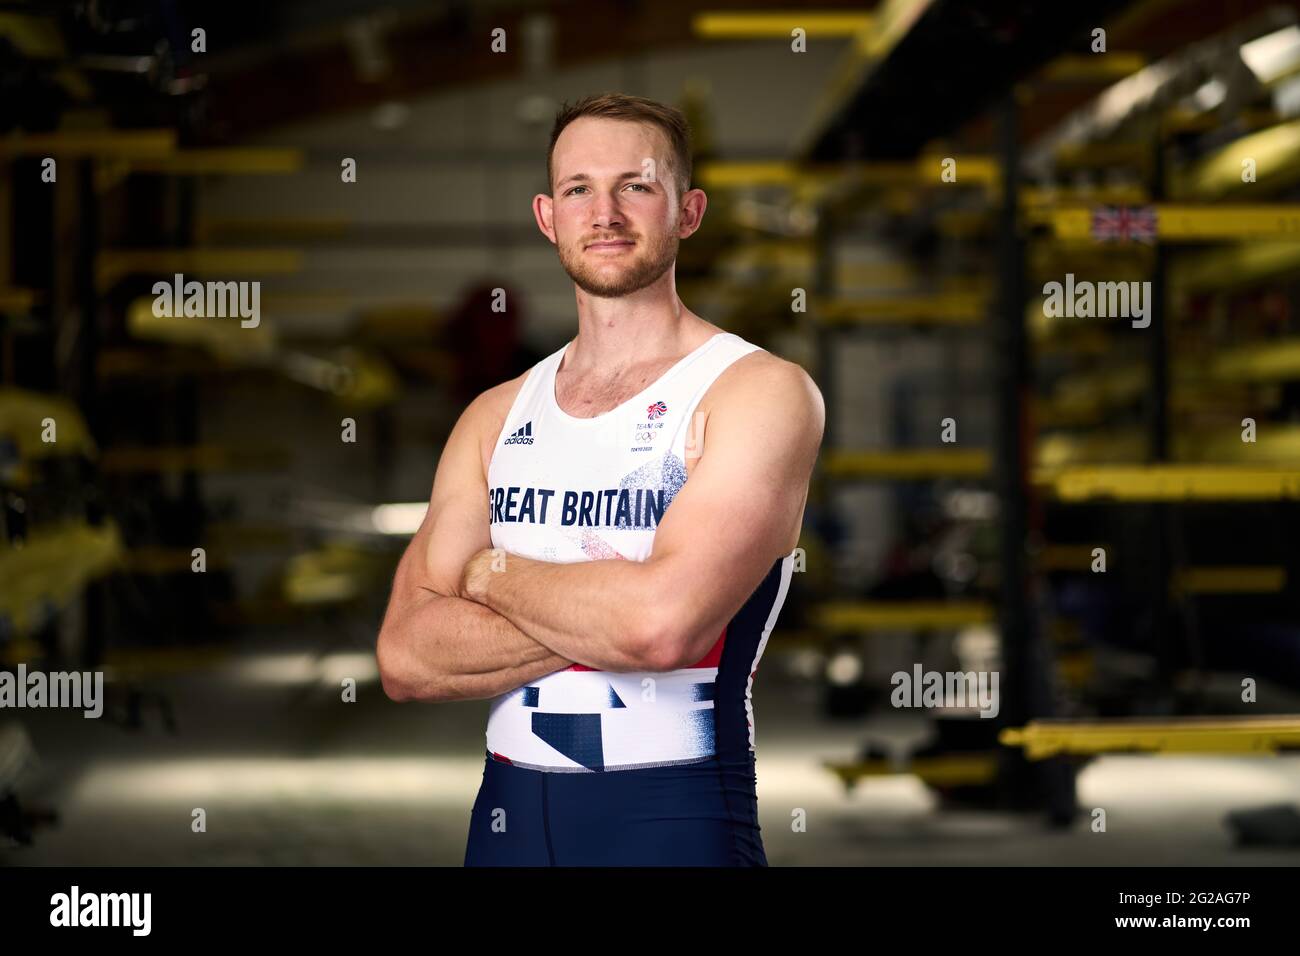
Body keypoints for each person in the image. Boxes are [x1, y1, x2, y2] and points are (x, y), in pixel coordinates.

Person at [376, 92, 824, 866]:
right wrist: (605, 604)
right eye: (580, 188)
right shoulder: (493, 415)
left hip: (671, 811)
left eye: (637, 185)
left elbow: (658, 629)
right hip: (508, 815)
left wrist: (489, 574)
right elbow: (408, 658)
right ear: (549, 217)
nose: (605, 212)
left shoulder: (755, 392)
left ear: (687, 211)